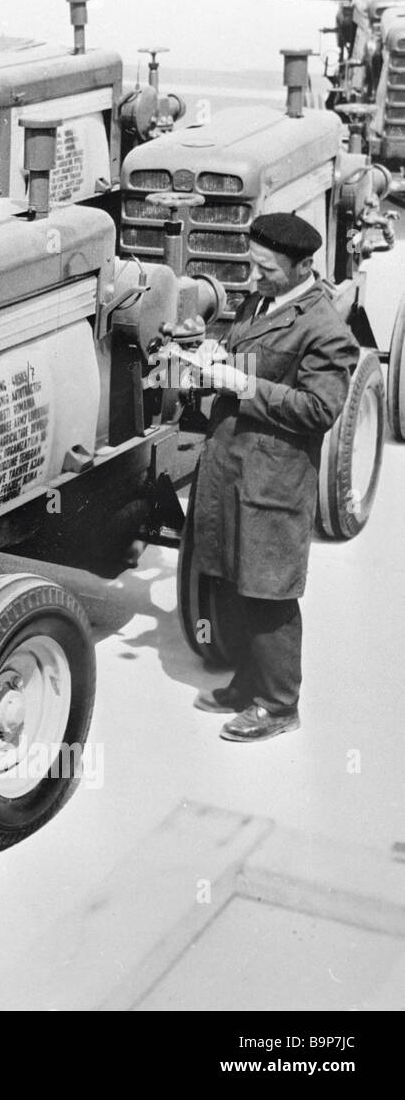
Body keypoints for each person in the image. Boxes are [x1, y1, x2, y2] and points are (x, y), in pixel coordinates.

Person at [185, 212, 357, 742]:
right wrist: (220, 351)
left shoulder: (326, 328)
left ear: (303, 266)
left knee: (269, 591)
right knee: (233, 579)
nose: (255, 279)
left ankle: (280, 703)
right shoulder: (264, 299)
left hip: (273, 480)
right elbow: (251, 347)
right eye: (253, 267)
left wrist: (242, 384)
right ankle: (247, 681)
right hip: (235, 467)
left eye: (267, 270)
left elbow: (319, 409)